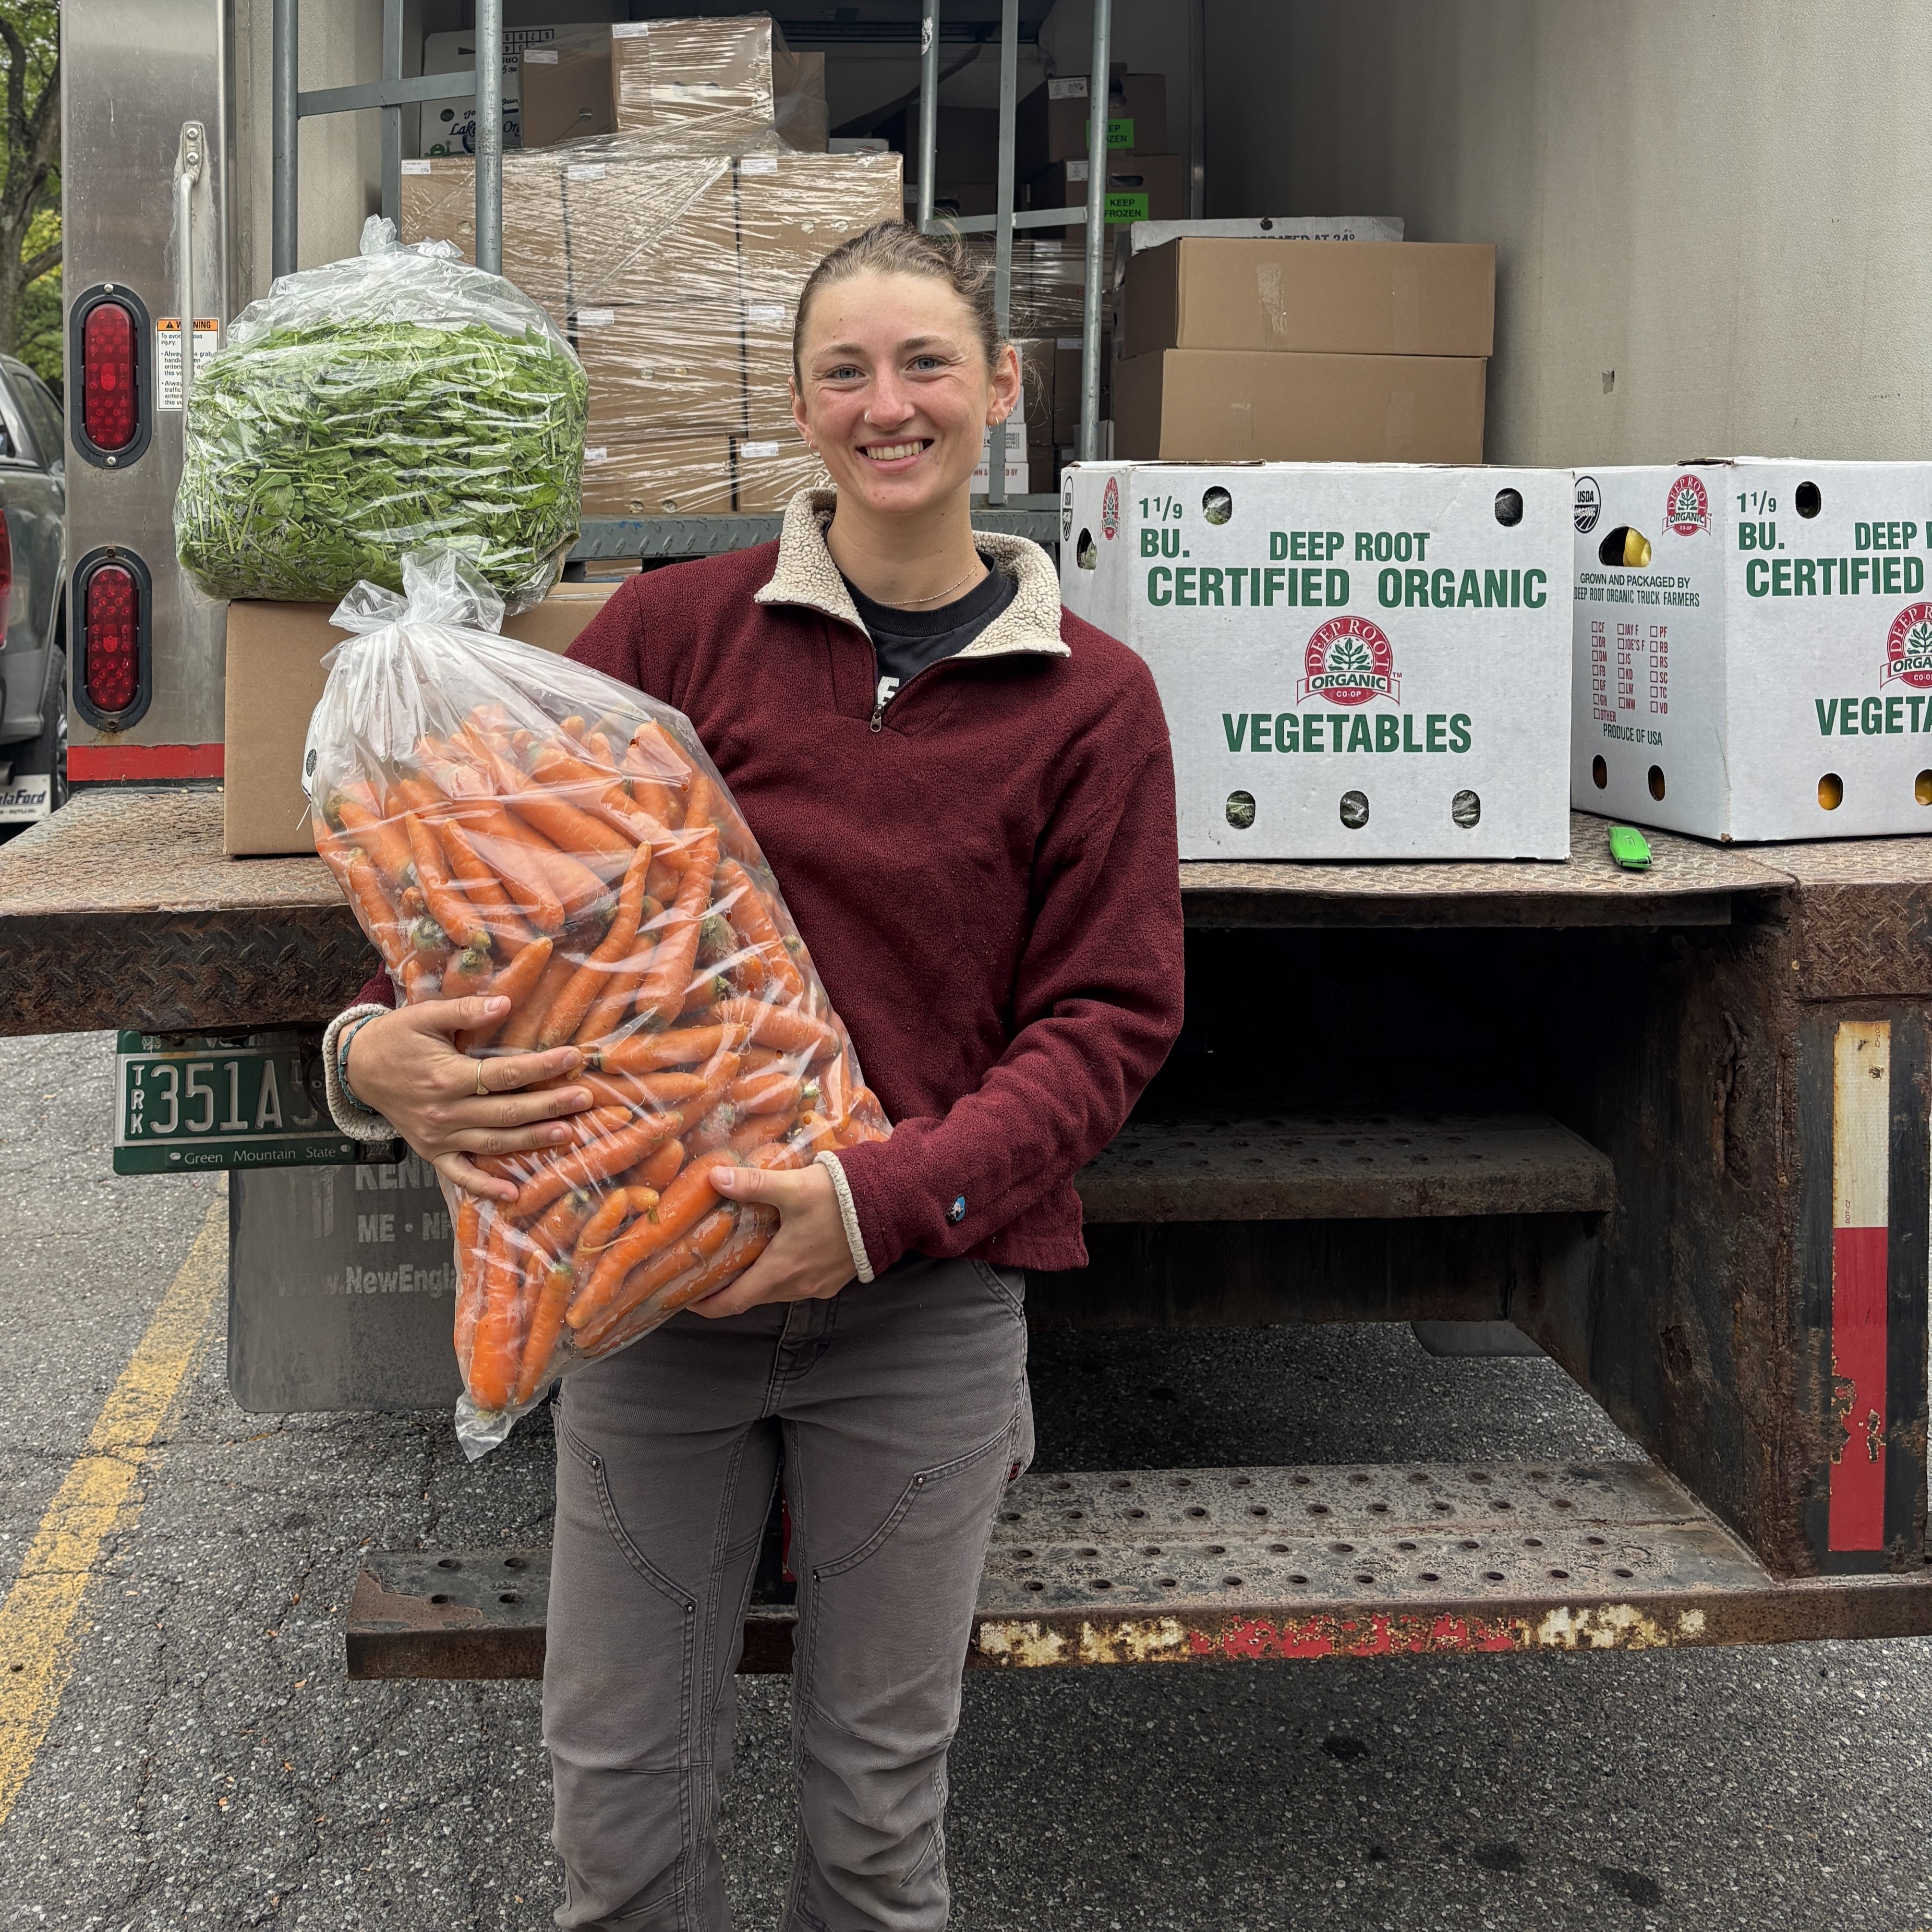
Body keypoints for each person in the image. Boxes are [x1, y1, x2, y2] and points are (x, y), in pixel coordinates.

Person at [321, 221, 1185, 1930]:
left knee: (876, 1828)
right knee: (617, 1818)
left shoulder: (1098, 702)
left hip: (923, 1314)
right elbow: (485, 889)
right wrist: (367, 1049)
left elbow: (1107, 1028)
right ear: (802, 407)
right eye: (849, 371)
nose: (891, 406)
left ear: (1003, 392)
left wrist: (875, 1204)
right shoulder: (672, 633)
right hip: (656, 1306)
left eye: (928, 363)